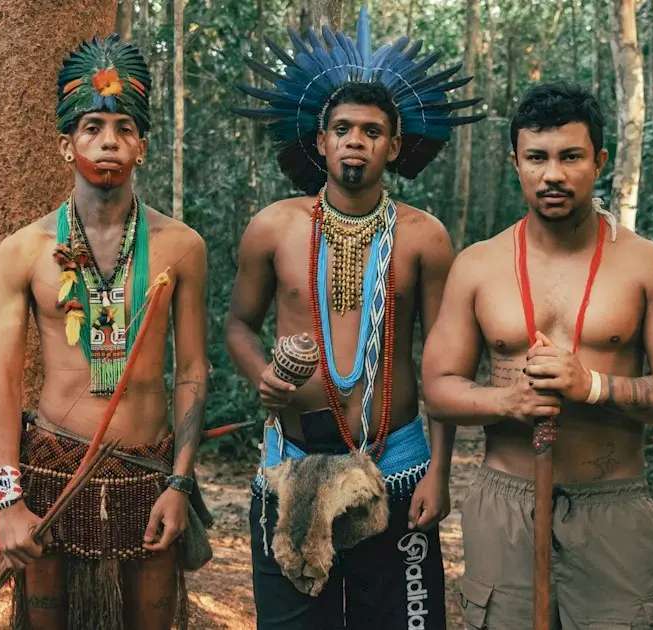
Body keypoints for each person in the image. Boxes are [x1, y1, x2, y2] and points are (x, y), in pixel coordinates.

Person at [226, 9, 482, 629]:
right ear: (320, 141)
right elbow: (238, 323)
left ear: (393, 146)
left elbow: (442, 362)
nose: (355, 141)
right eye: (342, 128)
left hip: (396, 463)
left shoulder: (426, 238)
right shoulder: (274, 226)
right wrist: (263, 374)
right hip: (293, 467)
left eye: (371, 131)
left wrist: (440, 473)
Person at [421, 82, 653, 629]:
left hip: (612, 505)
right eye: (537, 157)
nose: (552, 174)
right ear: (516, 163)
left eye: (570, 156)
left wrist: (596, 387)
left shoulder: (649, 266)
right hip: (506, 504)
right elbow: (438, 388)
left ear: (598, 161)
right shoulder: (479, 266)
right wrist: (510, 400)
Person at [0, 34, 208, 629]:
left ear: (143, 145)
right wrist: (8, 500)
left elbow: (191, 371)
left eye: (124, 127)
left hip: (149, 470)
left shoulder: (181, 248)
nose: (109, 141)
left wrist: (180, 484)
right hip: (53, 470)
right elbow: (2, 381)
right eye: (92, 126)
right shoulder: (24, 251)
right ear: (66, 145)